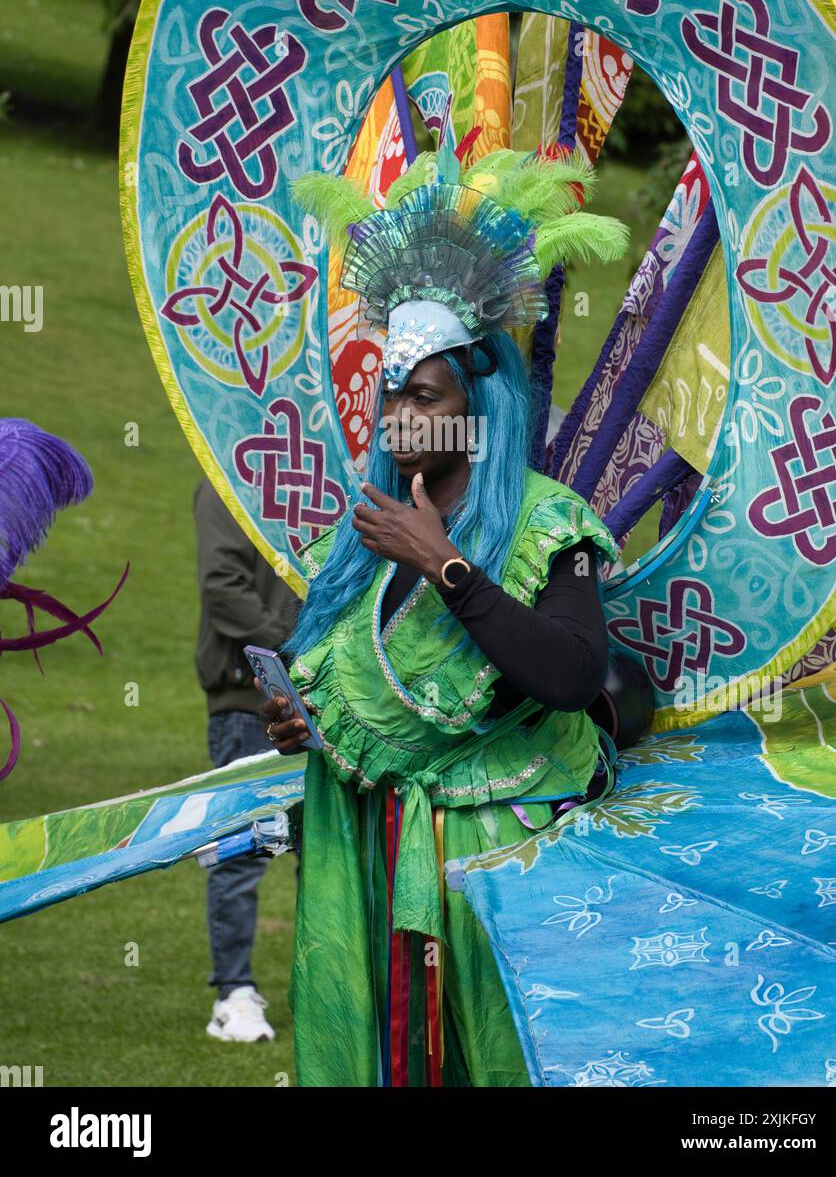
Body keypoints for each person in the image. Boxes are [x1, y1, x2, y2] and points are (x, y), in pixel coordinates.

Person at [260, 143, 636, 1085]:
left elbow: (571, 675)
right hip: (367, 847)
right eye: (388, 392)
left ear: (478, 404)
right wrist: (299, 723)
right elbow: (364, 698)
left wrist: (449, 567)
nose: (397, 414)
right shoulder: (363, 538)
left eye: (421, 394)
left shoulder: (548, 525)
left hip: (496, 869)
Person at [194, 477, 302, 1042]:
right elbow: (223, 583)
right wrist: (293, 647)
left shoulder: (333, 475)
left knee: (327, 850)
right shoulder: (227, 477)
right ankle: (232, 994)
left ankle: (326, 987)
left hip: (328, 699)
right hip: (247, 699)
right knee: (241, 849)